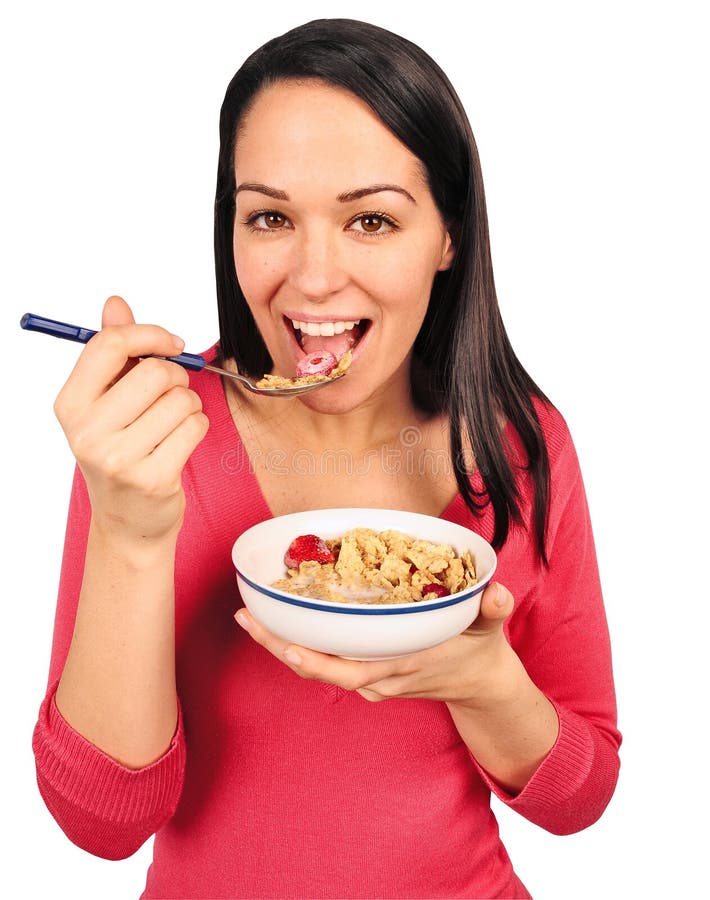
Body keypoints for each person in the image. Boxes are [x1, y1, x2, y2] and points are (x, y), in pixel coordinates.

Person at [32, 18, 620, 900]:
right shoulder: (151, 441)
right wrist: (130, 533)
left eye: (371, 220)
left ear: (449, 237)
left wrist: (488, 683)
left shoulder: (520, 446)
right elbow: (102, 826)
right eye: (270, 216)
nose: (313, 278)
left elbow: (581, 801)